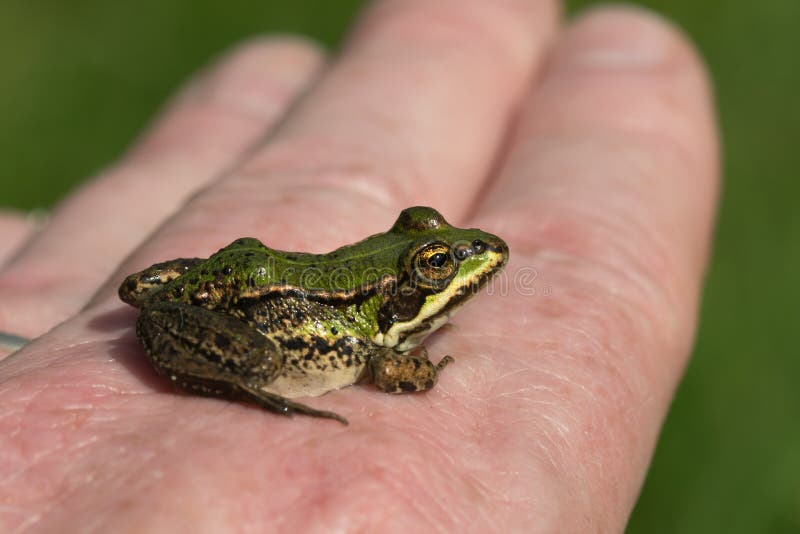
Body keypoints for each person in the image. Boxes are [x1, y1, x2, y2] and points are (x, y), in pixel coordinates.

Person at [0, 1, 718, 531]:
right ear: (404, 287)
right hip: (255, 308)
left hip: (246, 274)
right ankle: (232, 377)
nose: (467, 259)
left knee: (177, 299)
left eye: (435, 249)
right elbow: (385, 367)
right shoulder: (379, 331)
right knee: (248, 360)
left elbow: (139, 288)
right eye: (437, 263)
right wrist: (415, 370)